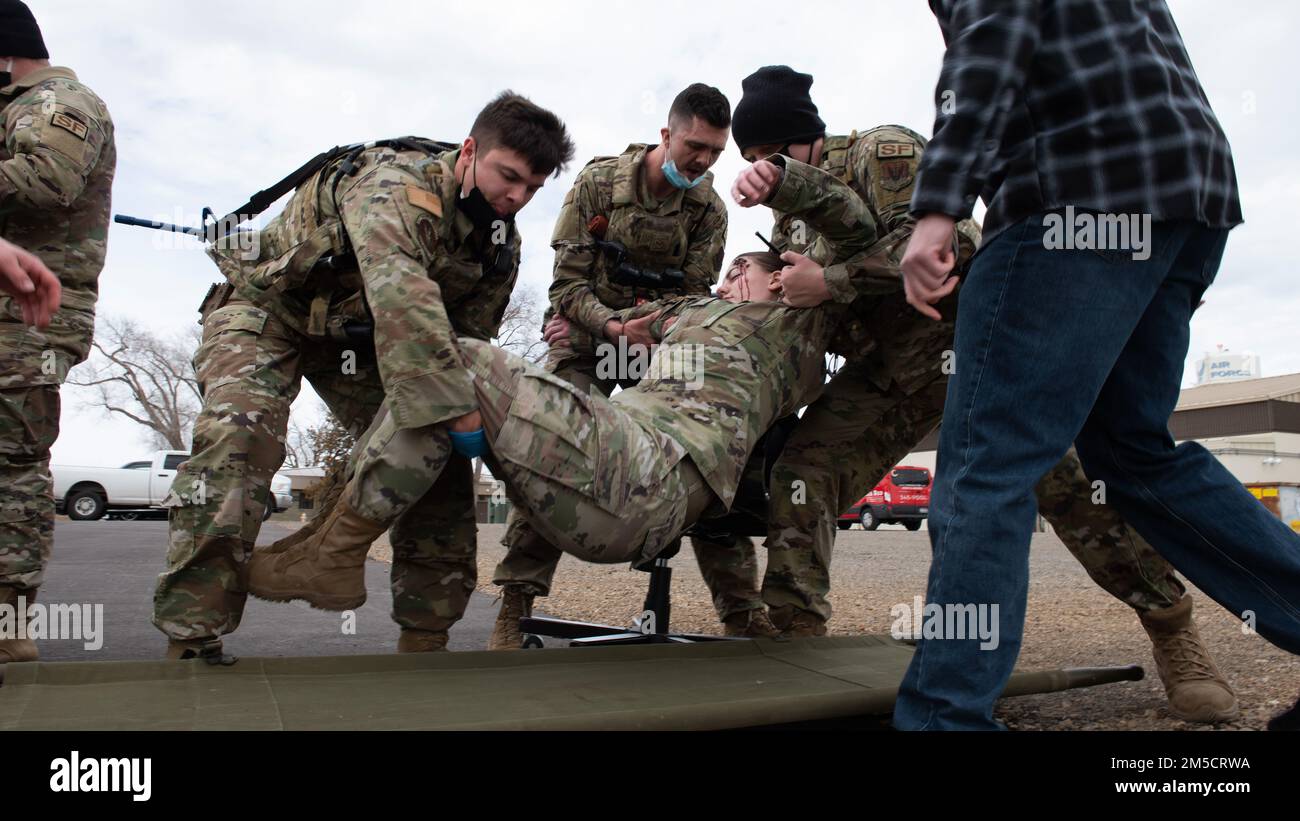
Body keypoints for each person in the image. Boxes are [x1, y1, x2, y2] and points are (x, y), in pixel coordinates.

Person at [719, 64, 1238, 722]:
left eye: (769, 154)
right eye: (750, 161)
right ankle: (793, 640)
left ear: (805, 139)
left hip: (973, 351)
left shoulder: (883, 153)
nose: (762, 172)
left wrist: (834, 279)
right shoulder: (790, 223)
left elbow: (948, 246)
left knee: (1073, 492)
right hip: (891, 372)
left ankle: (1173, 628)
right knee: (803, 468)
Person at [895, 0, 1300, 731]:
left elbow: (990, 42)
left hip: (1078, 194)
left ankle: (944, 719)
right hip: (1186, 194)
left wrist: (937, 206)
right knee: (1135, 454)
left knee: (988, 464)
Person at [242, 158, 871, 617]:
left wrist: (784, 179)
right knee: (443, 384)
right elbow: (611, 328)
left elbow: (854, 230)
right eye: (728, 270)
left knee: (460, 360)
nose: (731, 276)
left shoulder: (795, 326)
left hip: (660, 480)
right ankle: (338, 555)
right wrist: (581, 323)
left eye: (747, 271)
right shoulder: (693, 314)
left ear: (788, 278)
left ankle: (331, 550)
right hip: (607, 480)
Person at [151, 92, 574, 660]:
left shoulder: (499, 245)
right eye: (509, 176)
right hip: (269, 311)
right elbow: (403, 296)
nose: (516, 198)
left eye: (532, 189)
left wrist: (465, 415)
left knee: (437, 455)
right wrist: (454, 403)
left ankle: (426, 640)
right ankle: (192, 634)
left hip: (361, 341)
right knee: (239, 436)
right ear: (469, 151)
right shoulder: (394, 184)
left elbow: (465, 344)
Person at [488, 83, 760, 650]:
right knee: (550, 449)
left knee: (711, 454)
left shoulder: (708, 209)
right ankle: (516, 603)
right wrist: (611, 327)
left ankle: (743, 612)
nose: (704, 161)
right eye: (695, 146)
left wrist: (651, 332)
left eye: (716, 151)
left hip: (659, 349)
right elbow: (567, 287)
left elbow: (692, 298)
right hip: (590, 339)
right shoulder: (597, 185)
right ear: (666, 135)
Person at [0, 0, 115, 670]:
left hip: (26, 322)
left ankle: (8, 623)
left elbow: (48, 179)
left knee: (11, 464)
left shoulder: (59, 102)